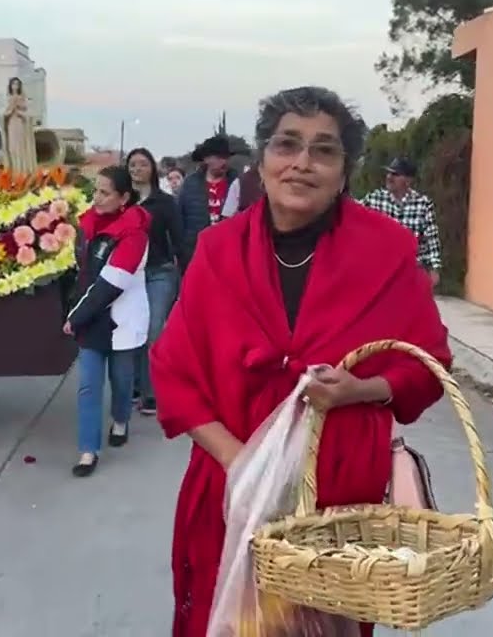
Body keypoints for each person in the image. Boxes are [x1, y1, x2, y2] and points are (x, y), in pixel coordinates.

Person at [151, 86, 452, 637]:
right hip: (230, 486)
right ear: (262, 161)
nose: (302, 163)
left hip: (336, 504)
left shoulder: (386, 250)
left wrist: (359, 390)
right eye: (287, 145)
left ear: (345, 172)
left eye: (325, 150)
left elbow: (428, 364)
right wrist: (246, 470)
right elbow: (174, 371)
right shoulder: (218, 251)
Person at [63, 165, 152, 477]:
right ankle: (88, 450)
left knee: (122, 378)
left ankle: (121, 419)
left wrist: (75, 316)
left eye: (104, 192)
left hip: (119, 318)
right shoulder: (86, 224)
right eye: (95, 190)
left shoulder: (135, 234)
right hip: (92, 321)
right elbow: (80, 270)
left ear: (124, 197)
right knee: (88, 386)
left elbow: (111, 284)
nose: (96, 198)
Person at [125, 147, 182, 416]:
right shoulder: (122, 201)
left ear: (152, 169)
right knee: (132, 332)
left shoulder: (165, 203)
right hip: (128, 275)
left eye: (142, 164)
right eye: (132, 165)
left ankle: (151, 394)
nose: (137, 169)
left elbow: (179, 238)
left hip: (159, 272)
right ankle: (136, 385)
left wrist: (190, 272)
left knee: (153, 332)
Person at [360, 157, 443, 288]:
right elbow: (352, 219)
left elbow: (431, 238)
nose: (389, 177)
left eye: (395, 174)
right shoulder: (374, 199)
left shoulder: (423, 204)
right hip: (380, 270)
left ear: (408, 180)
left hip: (411, 272)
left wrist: (435, 268)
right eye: (388, 173)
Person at [175, 135, 239, 269]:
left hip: (229, 253)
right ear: (206, 159)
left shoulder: (237, 182)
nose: (224, 162)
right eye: (219, 157)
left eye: (226, 157)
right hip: (195, 253)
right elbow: (178, 218)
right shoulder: (190, 184)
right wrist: (179, 252)